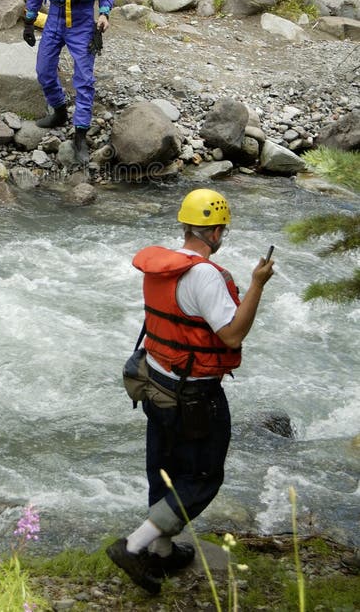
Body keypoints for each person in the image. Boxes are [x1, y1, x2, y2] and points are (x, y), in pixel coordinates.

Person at [106, 188, 274, 595]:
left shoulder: (161, 266)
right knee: (201, 477)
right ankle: (135, 546)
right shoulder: (204, 275)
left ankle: (162, 552)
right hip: (195, 397)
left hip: (155, 383)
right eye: (222, 231)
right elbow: (231, 336)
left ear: (186, 226)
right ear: (215, 233)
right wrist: (257, 284)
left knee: (164, 469)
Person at [22, 0, 116, 164]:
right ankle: (59, 111)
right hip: (54, 20)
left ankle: (81, 134)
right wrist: (29, 20)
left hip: (82, 23)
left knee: (84, 78)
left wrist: (104, 13)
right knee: (44, 70)